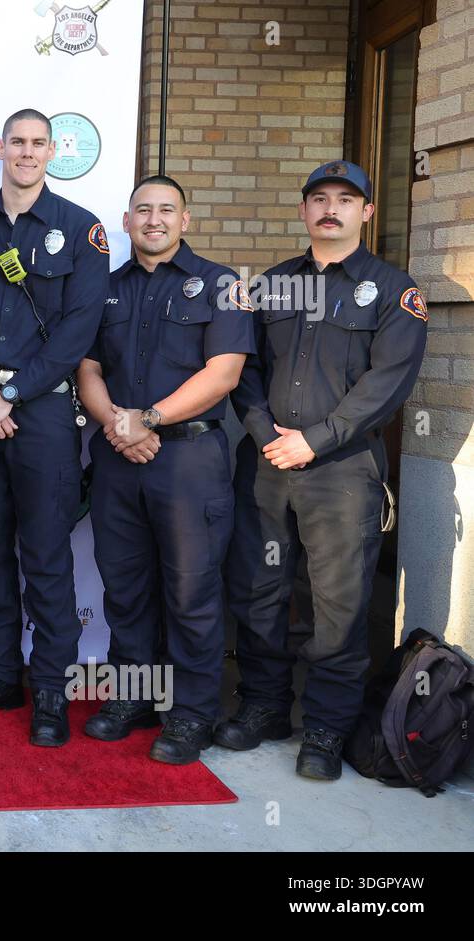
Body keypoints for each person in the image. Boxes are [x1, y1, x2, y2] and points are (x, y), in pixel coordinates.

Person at [221, 160, 429, 780]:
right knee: (259, 591)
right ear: (304, 210)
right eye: (318, 198)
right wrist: (265, 434)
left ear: (367, 212)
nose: (330, 208)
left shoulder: (394, 291)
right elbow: (243, 367)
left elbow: (386, 383)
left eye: (345, 199)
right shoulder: (275, 285)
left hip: (341, 471)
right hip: (264, 464)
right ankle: (263, 706)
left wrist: (313, 441)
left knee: (336, 603)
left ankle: (326, 729)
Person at [0, 108, 110, 745]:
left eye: (39, 143)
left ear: (53, 151)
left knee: (44, 556)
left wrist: (11, 394)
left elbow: (76, 333)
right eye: (18, 142)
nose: (28, 152)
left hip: (41, 412)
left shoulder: (82, 230)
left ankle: (48, 690)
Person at [76, 176, 254, 764]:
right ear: (126, 222)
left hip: (188, 460)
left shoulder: (222, 286)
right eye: (142, 210)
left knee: (191, 592)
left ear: (186, 221)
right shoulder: (104, 289)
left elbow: (223, 373)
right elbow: (88, 368)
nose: (154, 219)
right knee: (125, 589)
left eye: (166, 210)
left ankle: (192, 713)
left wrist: (146, 420)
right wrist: (117, 426)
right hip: (118, 458)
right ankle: (134, 697)